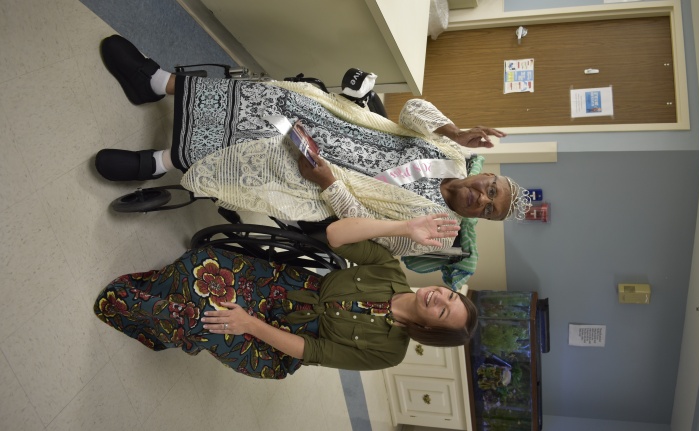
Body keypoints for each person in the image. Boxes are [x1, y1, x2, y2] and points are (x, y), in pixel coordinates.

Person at [94, 35, 532, 256]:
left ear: (482, 218)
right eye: (491, 188)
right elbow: (413, 111)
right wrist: (451, 130)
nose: (482, 198)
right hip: (337, 122)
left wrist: (327, 183)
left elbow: (366, 229)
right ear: (486, 173)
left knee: (269, 152)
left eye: (489, 208)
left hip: (323, 179)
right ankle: (155, 82)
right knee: (275, 98)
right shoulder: (453, 153)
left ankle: (160, 163)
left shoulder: (433, 234)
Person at [94, 214, 479, 377]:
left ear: (433, 329)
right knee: (202, 263)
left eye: (445, 312)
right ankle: (159, 297)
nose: (438, 299)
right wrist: (405, 227)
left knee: (206, 323)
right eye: (449, 297)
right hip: (287, 286)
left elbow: (313, 352)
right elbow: (335, 236)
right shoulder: (390, 270)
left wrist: (249, 323)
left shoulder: (389, 354)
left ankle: (133, 310)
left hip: (281, 344)